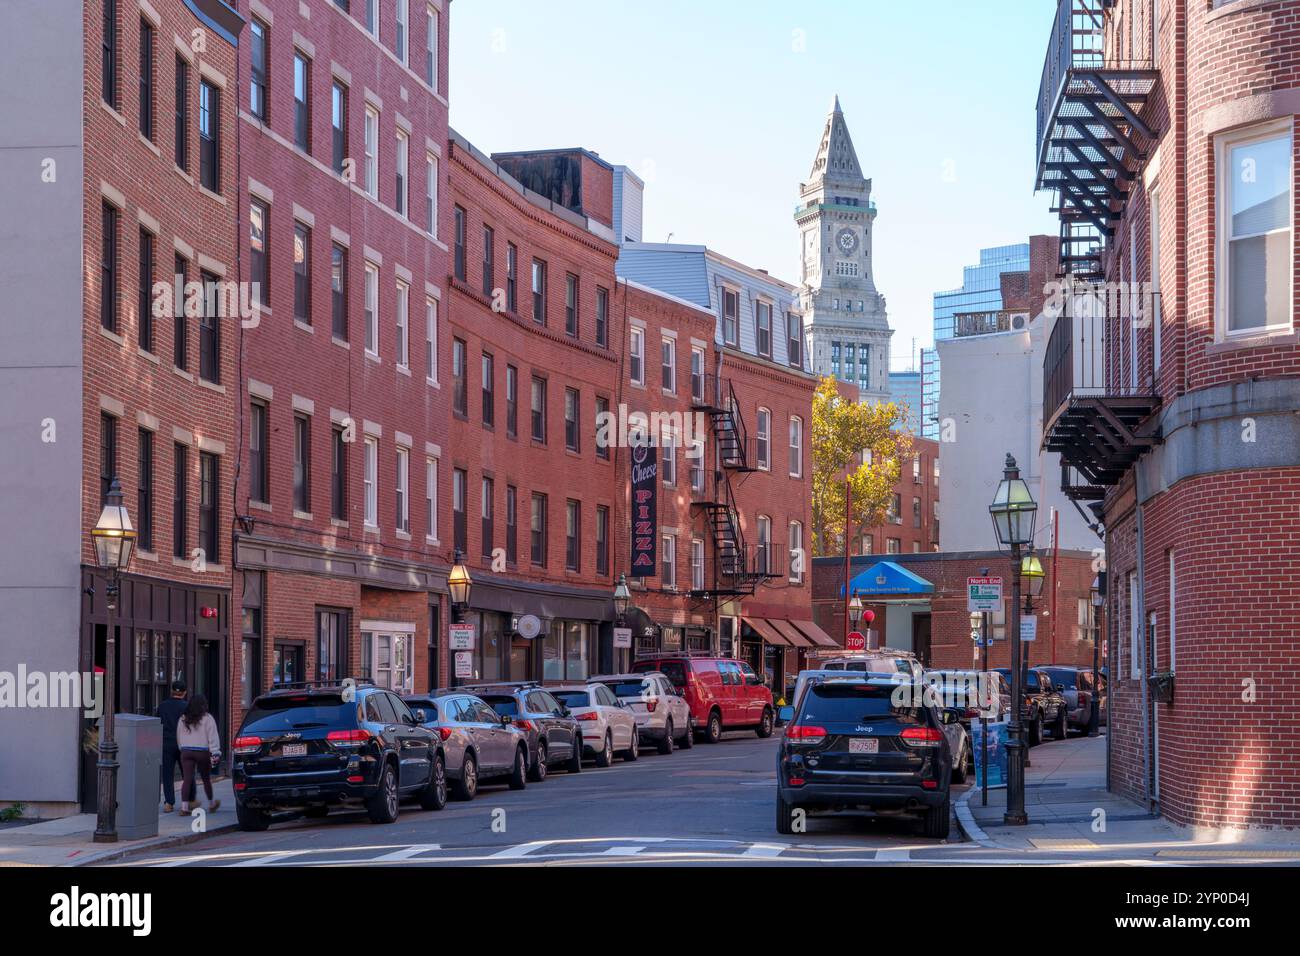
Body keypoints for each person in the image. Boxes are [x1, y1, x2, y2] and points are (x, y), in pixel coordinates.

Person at [177, 694, 221, 815]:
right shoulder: (207, 718)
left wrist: (182, 748)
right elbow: (213, 737)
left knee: (187, 780)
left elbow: (178, 736)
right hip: (202, 751)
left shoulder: (183, 718)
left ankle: (184, 808)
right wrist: (215, 751)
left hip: (186, 751)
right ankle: (212, 804)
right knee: (206, 779)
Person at [155, 680, 188, 812]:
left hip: (166, 742)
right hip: (184, 744)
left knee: (167, 774)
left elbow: (158, 723)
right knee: (187, 773)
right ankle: (188, 801)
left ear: (172, 691)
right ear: (184, 692)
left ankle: (169, 802)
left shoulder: (162, 706)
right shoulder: (187, 706)